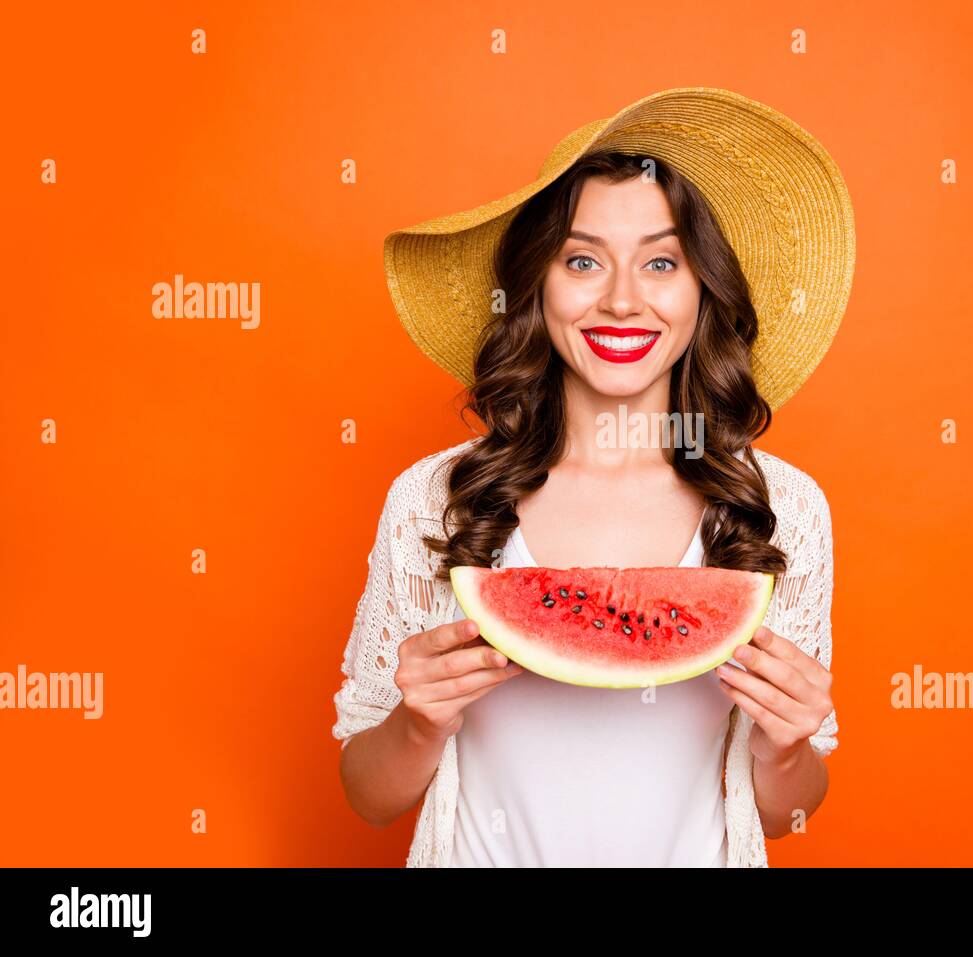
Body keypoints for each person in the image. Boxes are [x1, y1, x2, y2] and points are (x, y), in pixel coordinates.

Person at [331, 87, 856, 866]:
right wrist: (417, 724)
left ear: (703, 288)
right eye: (582, 260)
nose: (620, 300)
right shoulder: (437, 501)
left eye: (661, 262)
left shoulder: (780, 509)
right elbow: (369, 797)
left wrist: (786, 746)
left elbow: (788, 814)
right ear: (537, 286)